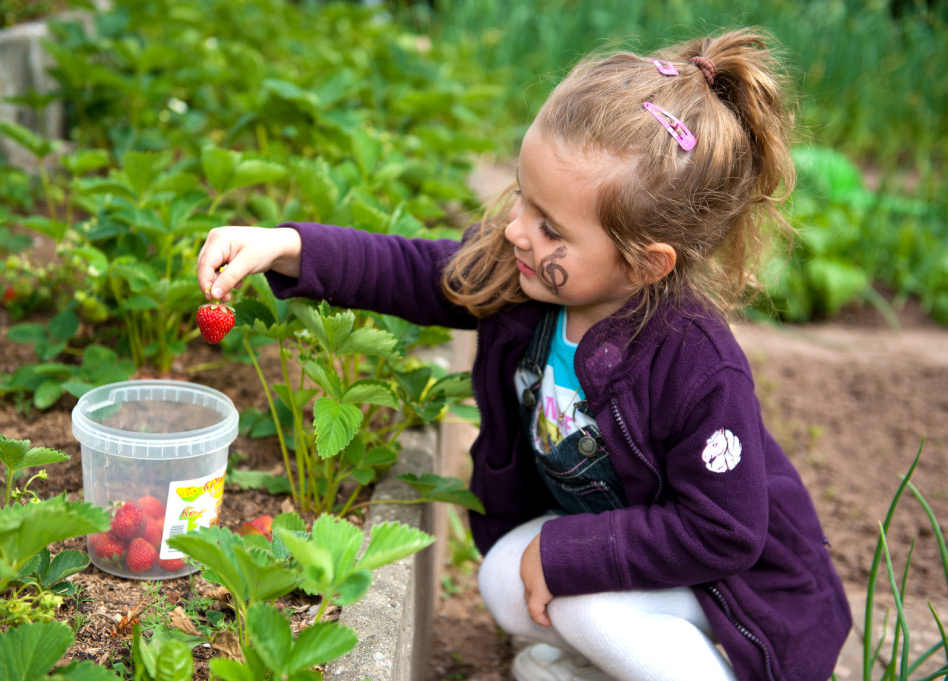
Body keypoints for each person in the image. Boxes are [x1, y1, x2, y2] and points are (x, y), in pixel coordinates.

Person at [197, 27, 851, 681]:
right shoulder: (522, 281)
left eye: (549, 226)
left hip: (735, 590)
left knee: (588, 606)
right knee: (504, 582)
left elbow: (724, 530)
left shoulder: (696, 363)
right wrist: (288, 246)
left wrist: (571, 553)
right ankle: (602, 664)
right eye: (521, 195)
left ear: (645, 262)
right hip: (637, 555)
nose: (514, 230)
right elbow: (413, 270)